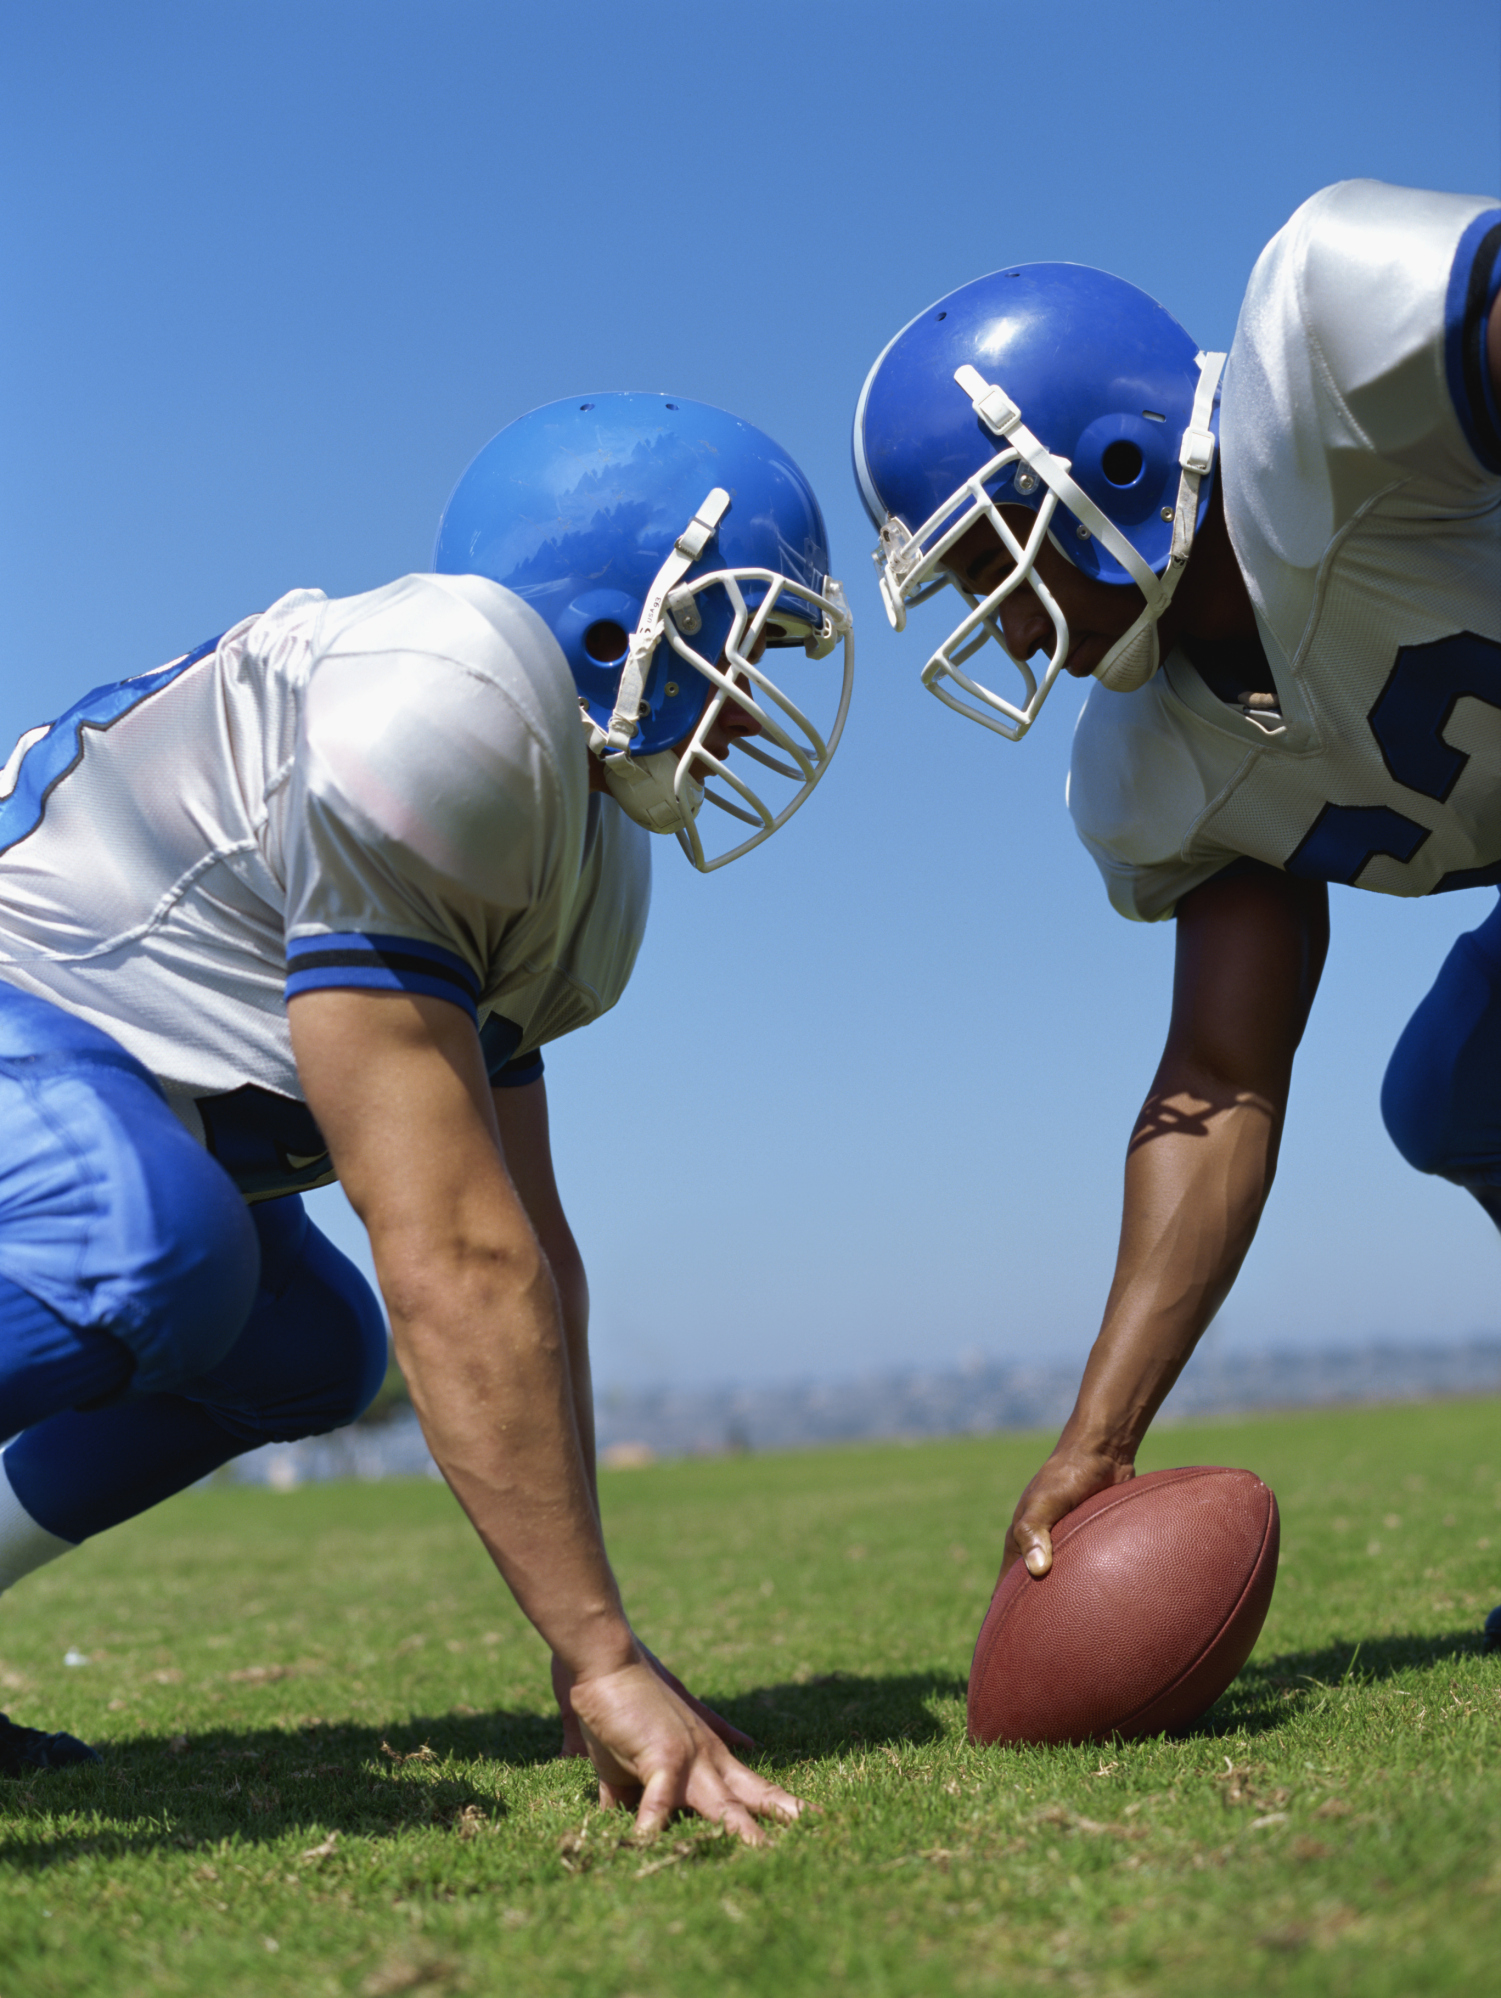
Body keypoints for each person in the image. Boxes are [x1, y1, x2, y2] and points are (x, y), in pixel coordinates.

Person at [0, 391, 853, 1839]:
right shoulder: (445, 705)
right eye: (739, 639)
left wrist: (587, 1625)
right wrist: (601, 1658)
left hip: (93, 1078)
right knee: (152, 1247)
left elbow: (529, 1255)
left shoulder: (572, 833)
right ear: (610, 626)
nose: (751, 695)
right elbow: (448, 1250)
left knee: (302, 1349)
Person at [852, 180, 1500, 1590]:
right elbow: (1220, 1080)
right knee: (1460, 1092)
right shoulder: (1156, 766)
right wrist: (1101, 1434)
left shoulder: (1330, 364)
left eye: (999, 566)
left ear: (1115, 463)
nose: (1011, 632)